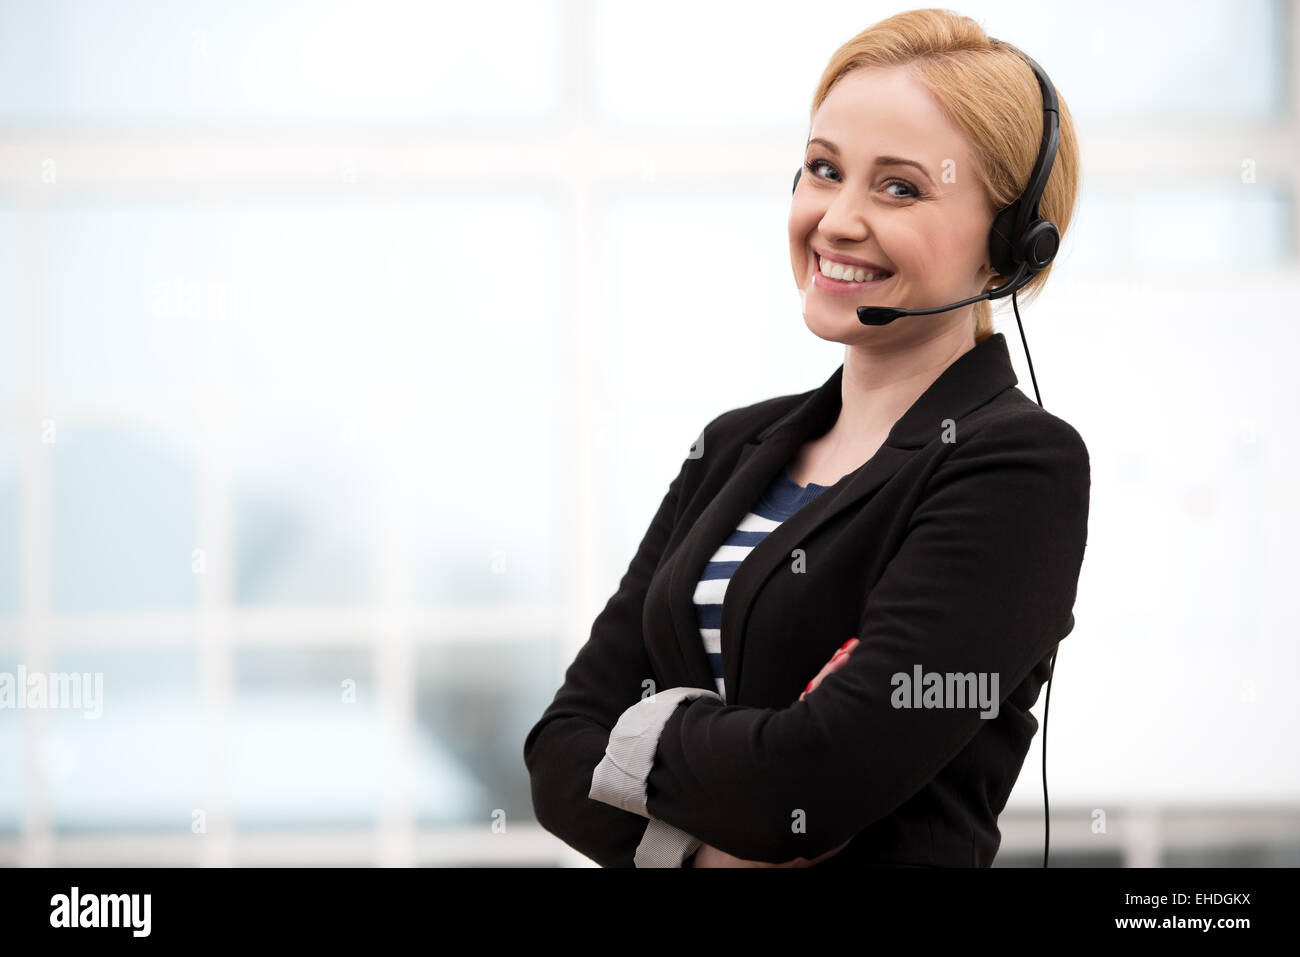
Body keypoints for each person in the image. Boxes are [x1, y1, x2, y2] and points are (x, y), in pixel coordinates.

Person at [524, 7, 1088, 868]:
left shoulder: (1016, 466)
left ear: (1009, 247)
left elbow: (812, 779)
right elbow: (559, 753)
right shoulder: (732, 447)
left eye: (899, 186)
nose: (837, 219)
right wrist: (721, 841)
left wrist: (653, 742)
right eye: (823, 170)